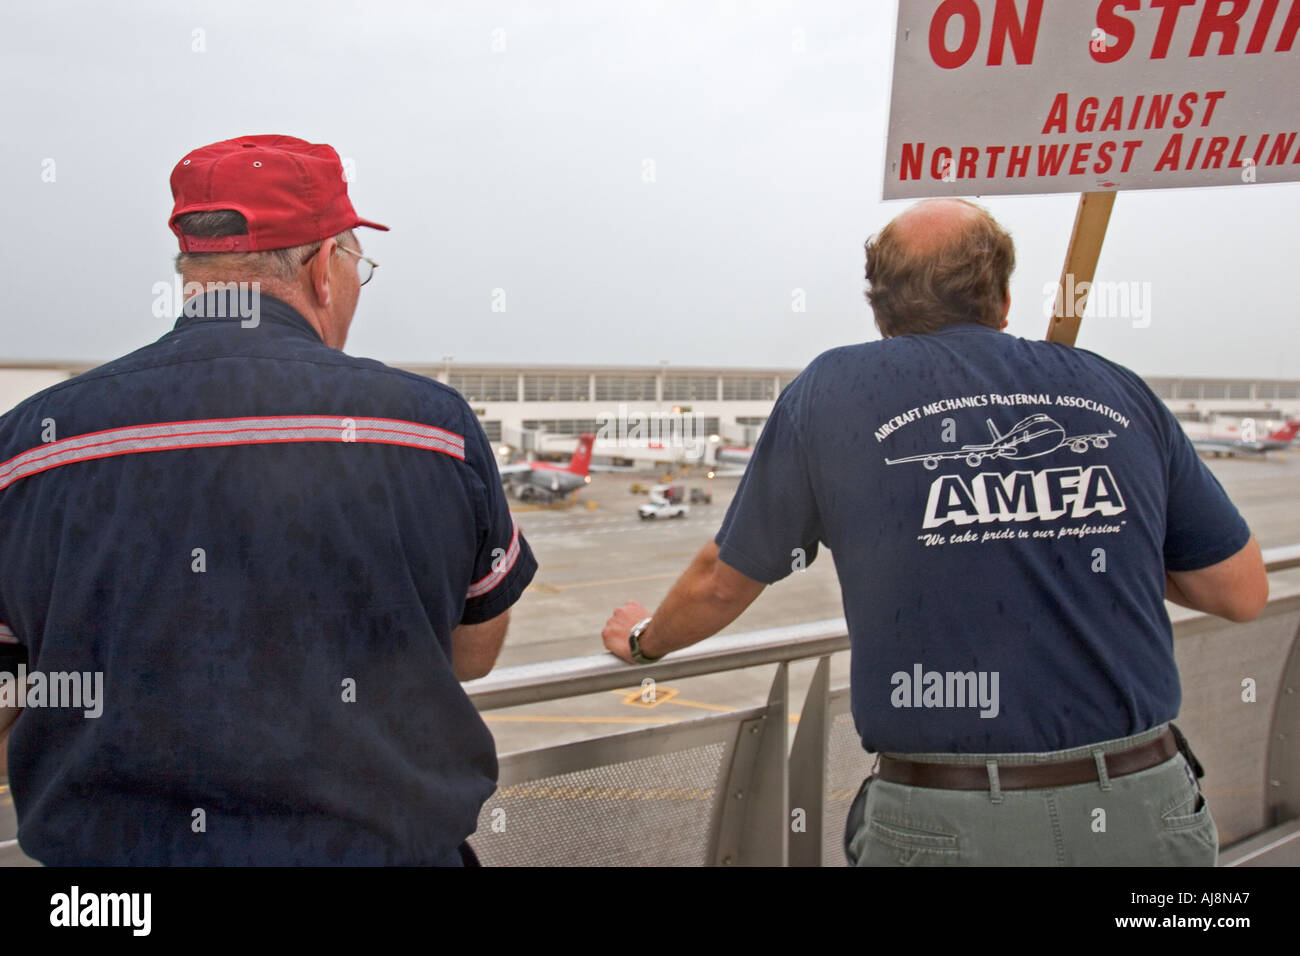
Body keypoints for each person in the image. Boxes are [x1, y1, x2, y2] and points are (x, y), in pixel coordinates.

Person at [602, 198, 1268, 866]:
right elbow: (1240, 593)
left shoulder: (833, 388)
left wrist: (644, 642)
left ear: (881, 309)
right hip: (1145, 810)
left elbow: (724, 581)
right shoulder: (1115, 389)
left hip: (949, 823)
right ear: (1004, 298)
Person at [0, 134, 535, 865]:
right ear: (323, 268)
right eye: (357, 265)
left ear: (191, 273)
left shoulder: (28, 443)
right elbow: (472, 656)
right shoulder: (429, 428)